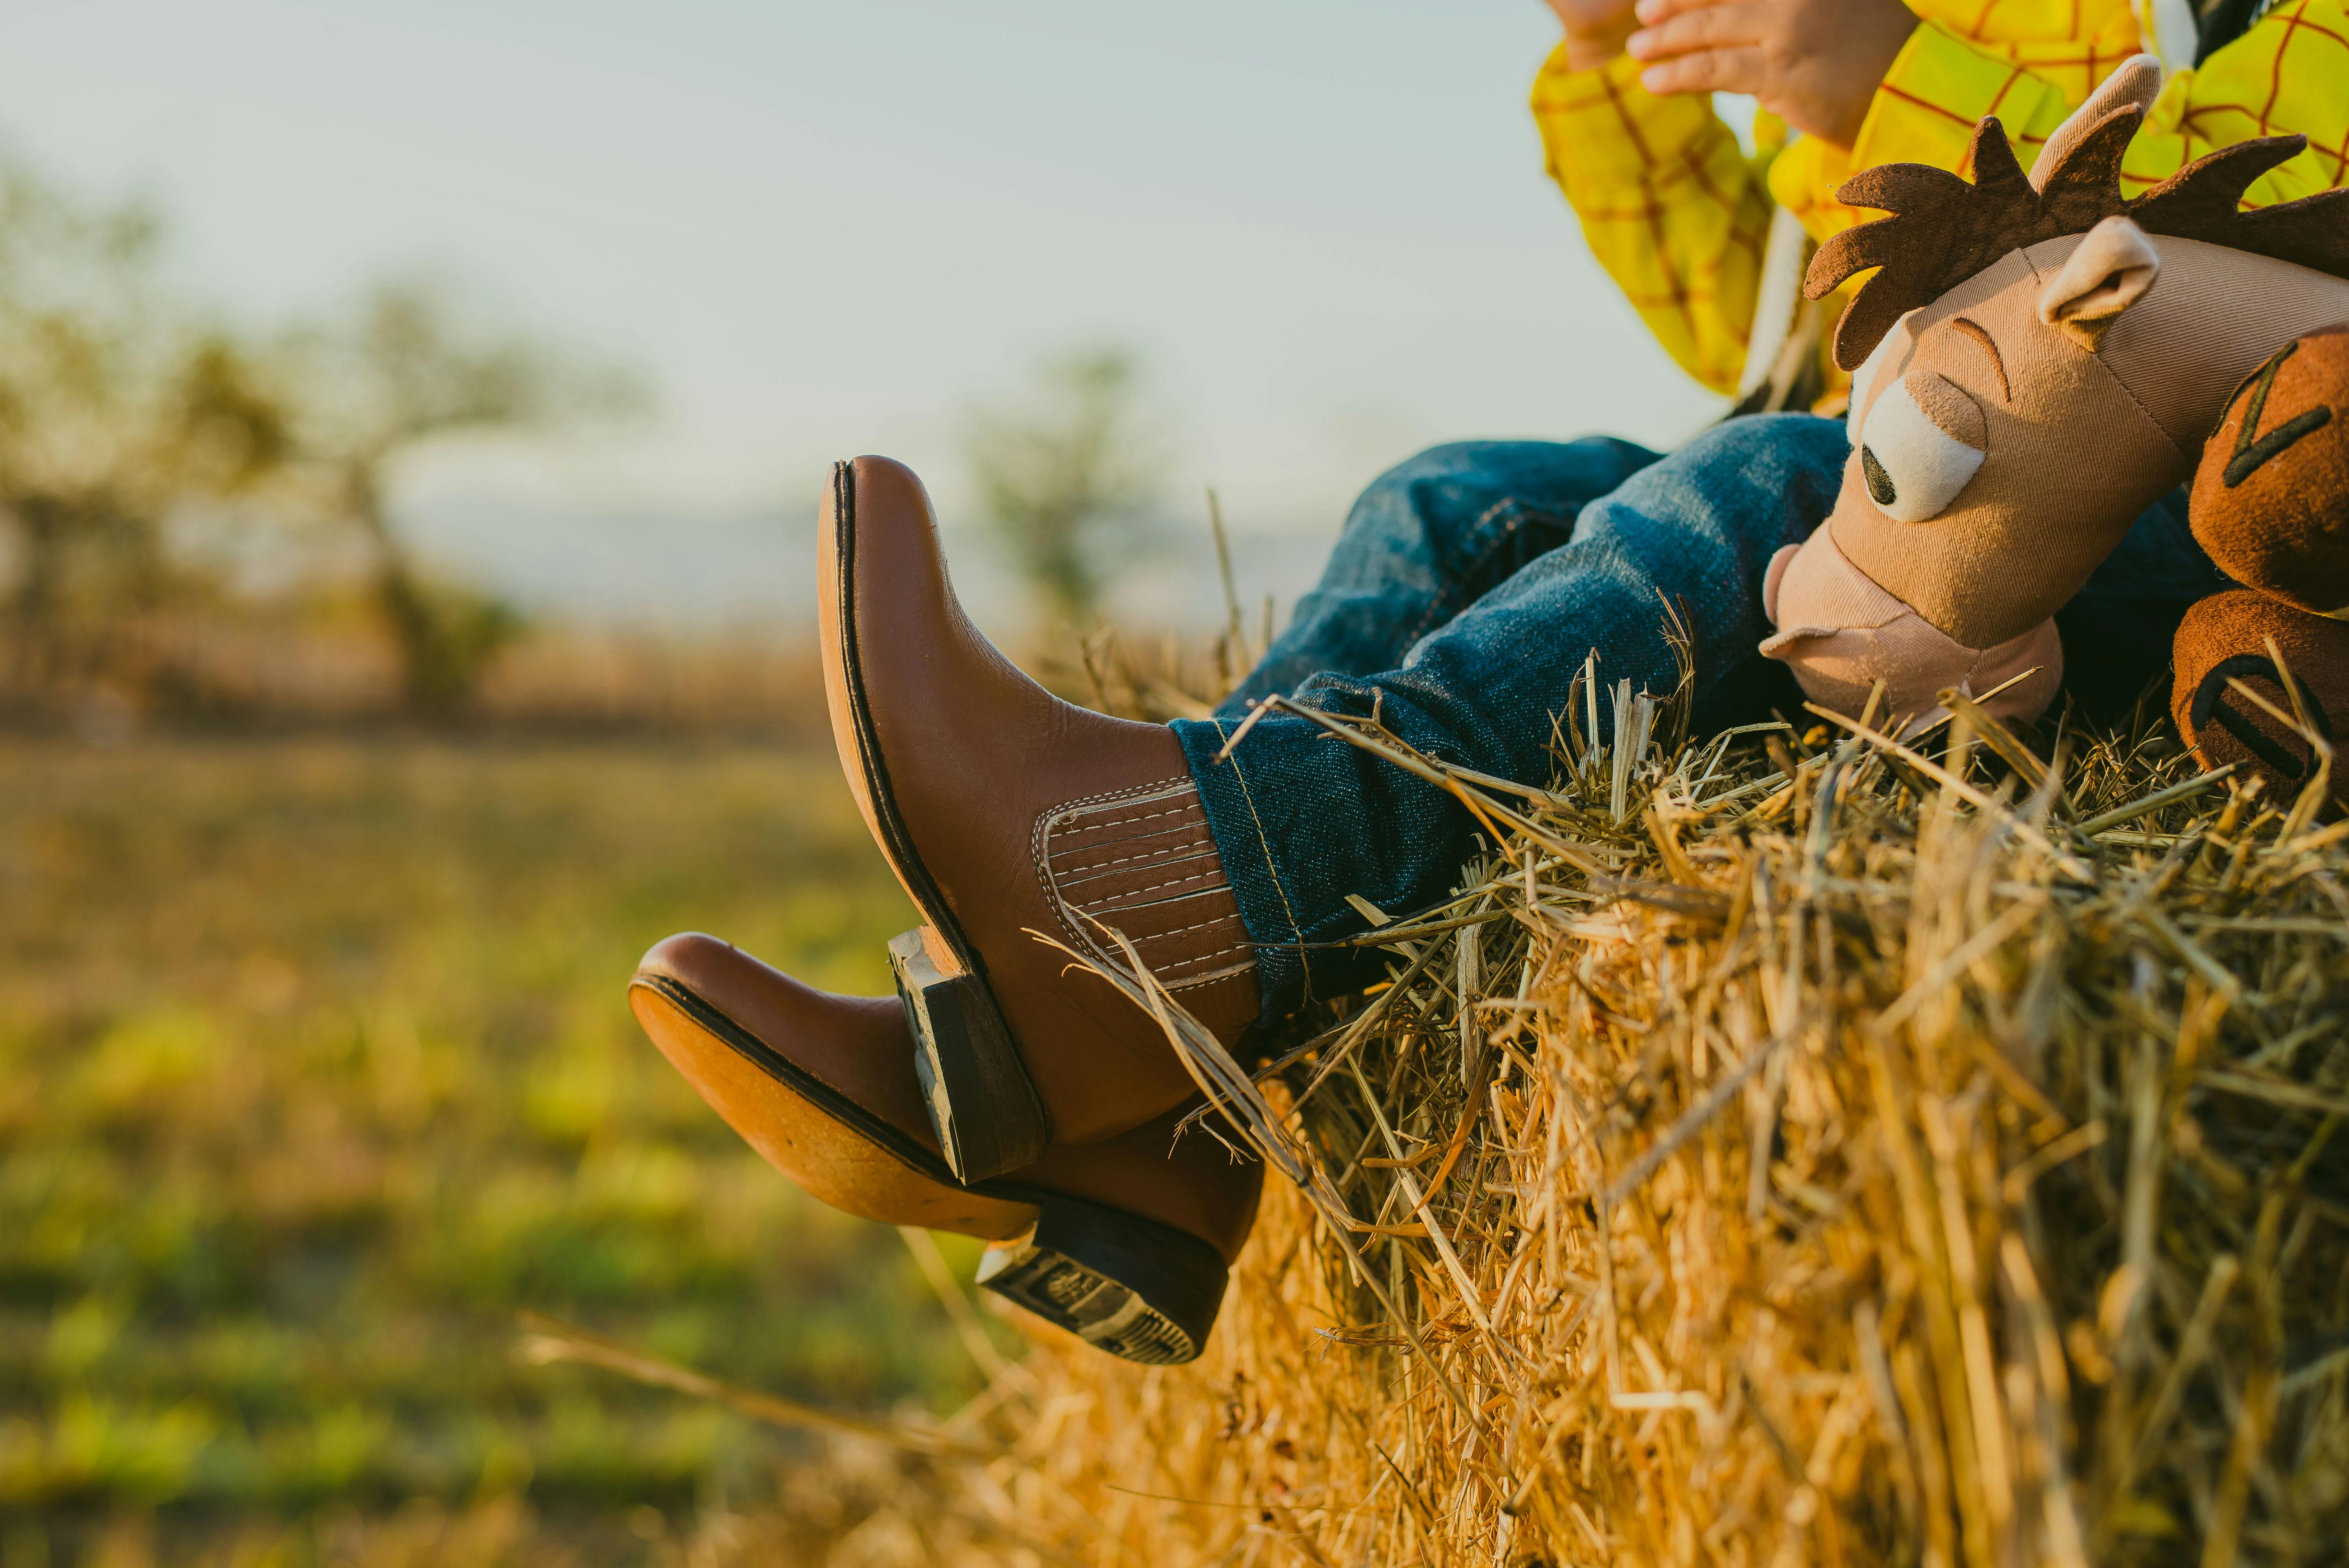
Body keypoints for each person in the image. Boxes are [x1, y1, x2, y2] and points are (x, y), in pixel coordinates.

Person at [626, 5, 2349, 1363]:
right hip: (1931, 456)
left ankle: (1160, 930)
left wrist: (1899, 76)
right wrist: (1619, 71)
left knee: (1750, 487)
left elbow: (2191, 267)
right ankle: (1167, 1087)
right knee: (1447, 496)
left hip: (2207, 526)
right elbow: (1750, 317)